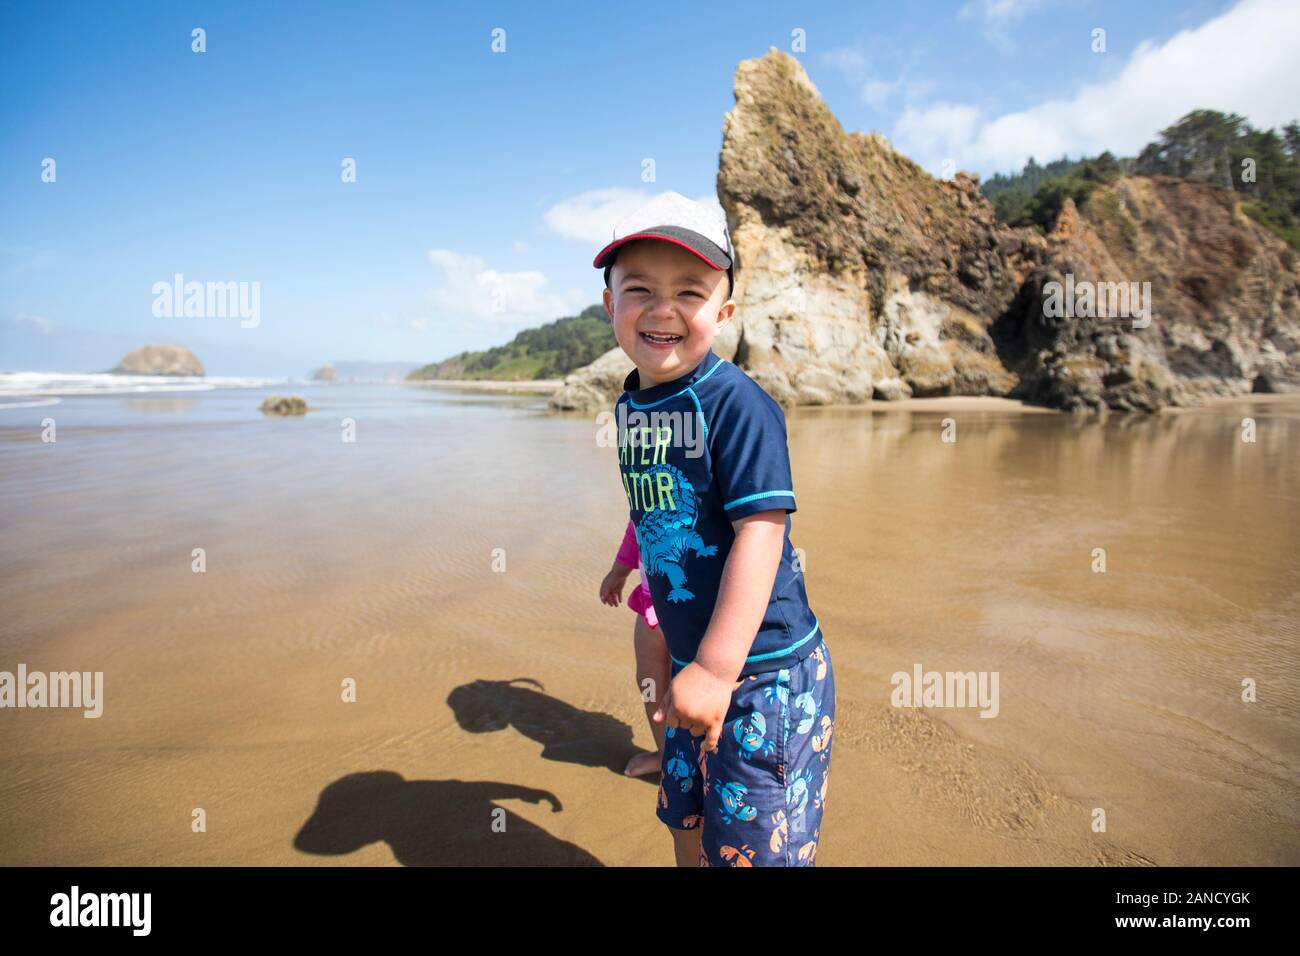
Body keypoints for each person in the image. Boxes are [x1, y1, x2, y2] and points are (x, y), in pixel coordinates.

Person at [595, 191, 835, 867]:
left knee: (751, 851)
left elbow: (763, 529)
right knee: (688, 821)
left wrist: (715, 665)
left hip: (760, 673)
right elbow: (657, 501)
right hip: (689, 666)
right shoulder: (633, 402)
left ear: (724, 313)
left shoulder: (737, 406)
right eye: (638, 288)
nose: (662, 308)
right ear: (608, 304)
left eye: (689, 291)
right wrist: (628, 566)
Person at [598, 520, 671, 777]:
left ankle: (708, 761)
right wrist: (619, 572)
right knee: (649, 679)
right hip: (651, 601)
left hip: (696, 608)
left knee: (689, 685)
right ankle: (666, 752)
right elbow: (638, 524)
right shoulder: (647, 482)